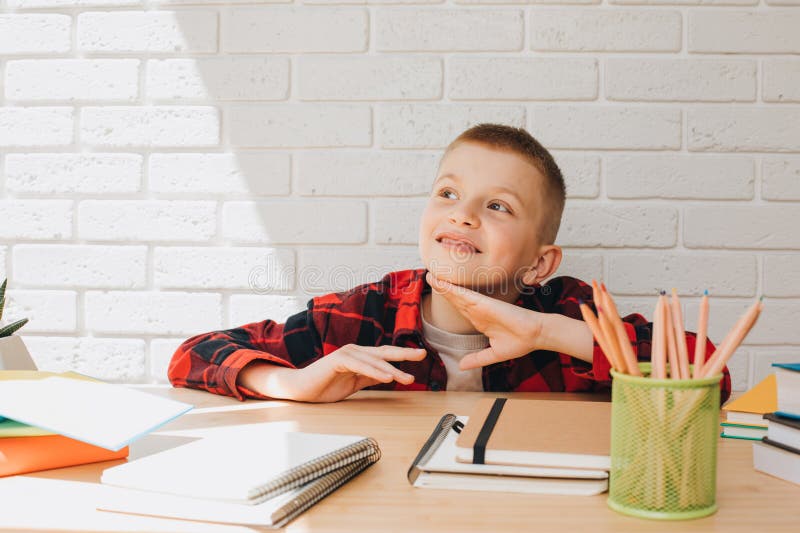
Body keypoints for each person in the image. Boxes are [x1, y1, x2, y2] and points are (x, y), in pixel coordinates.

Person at [168, 124, 731, 404]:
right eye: (447, 194)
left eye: (497, 206)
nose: (462, 216)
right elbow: (192, 355)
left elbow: (711, 374)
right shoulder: (363, 314)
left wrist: (546, 332)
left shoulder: (565, 312)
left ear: (540, 263)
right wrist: (292, 384)